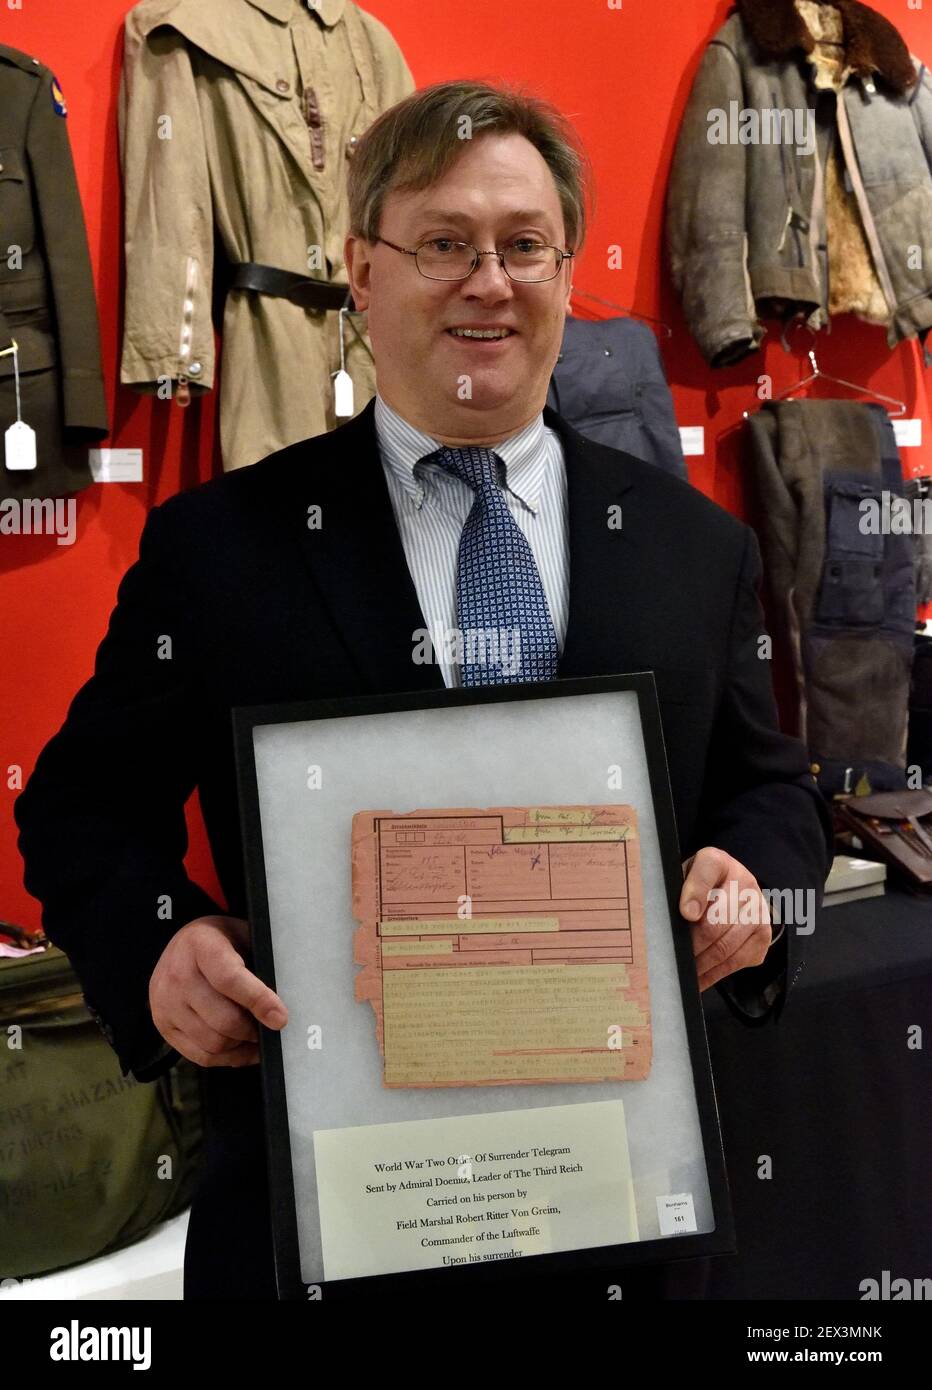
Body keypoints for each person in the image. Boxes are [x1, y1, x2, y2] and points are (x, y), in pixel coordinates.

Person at [15, 80, 833, 1300]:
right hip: (328, 1209)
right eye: (442, 243)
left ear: (565, 269)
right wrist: (158, 948)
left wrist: (752, 886)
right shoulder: (220, 545)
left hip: (615, 1202)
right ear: (360, 268)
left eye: (522, 245)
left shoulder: (686, 543)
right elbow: (79, 808)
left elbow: (768, 797)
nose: (487, 281)